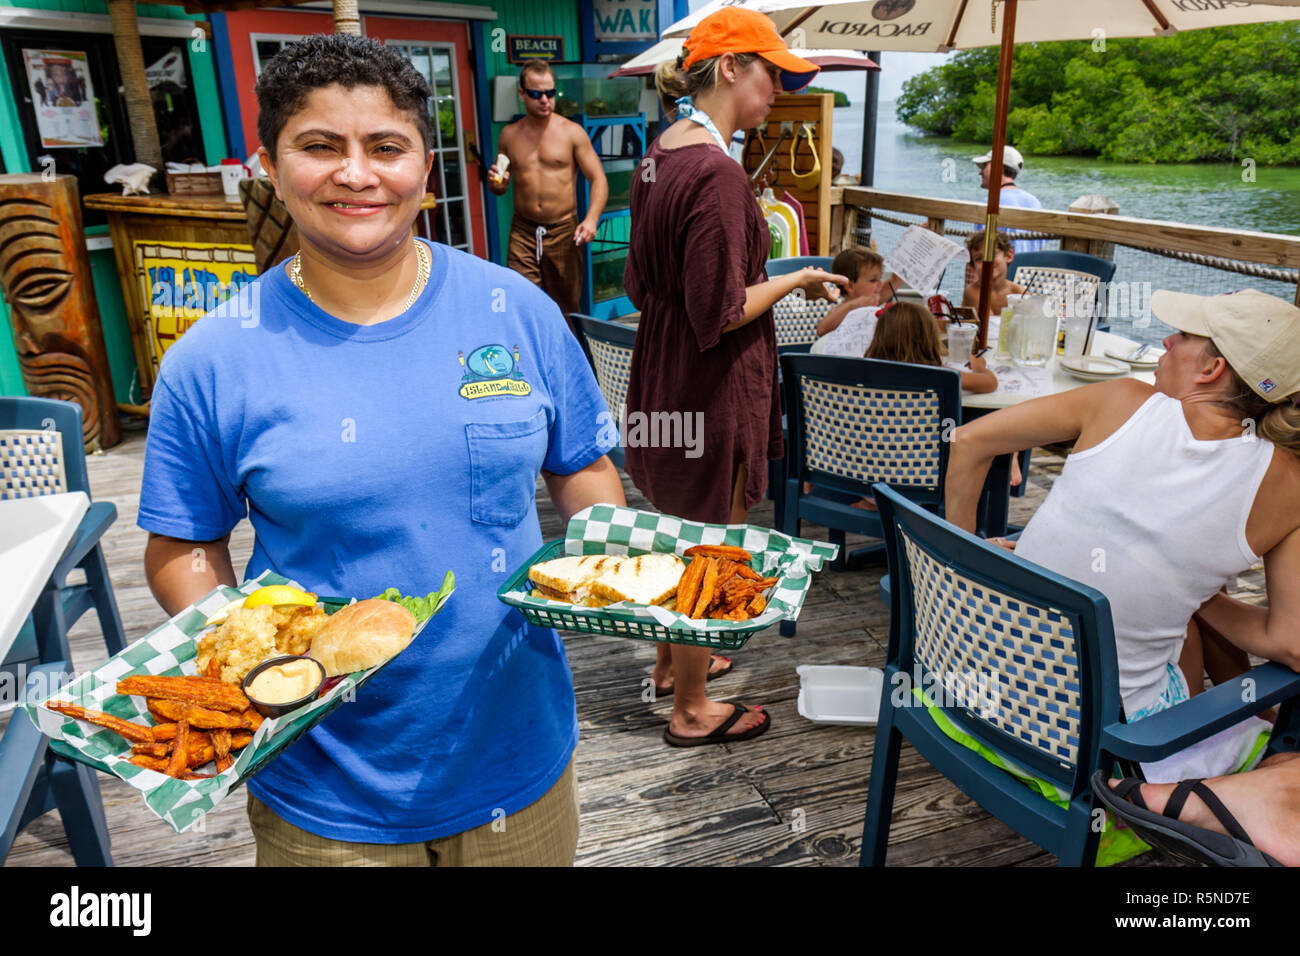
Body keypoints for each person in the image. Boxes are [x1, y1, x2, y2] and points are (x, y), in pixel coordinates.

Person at [138, 34, 624, 866]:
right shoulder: (214, 357)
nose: (356, 174)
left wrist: (615, 571)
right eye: (319, 147)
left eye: (386, 148)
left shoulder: (520, 311)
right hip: (323, 792)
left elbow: (580, 465)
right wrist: (241, 653)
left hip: (519, 759)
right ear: (271, 163)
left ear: (426, 169)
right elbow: (183, 544)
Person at [945, 289, 1300, 798]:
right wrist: (1193, 591)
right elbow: (1291, 643)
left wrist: (967, 561)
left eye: (1184, 337)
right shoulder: (1288, 482)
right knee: (1182, 624)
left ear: (1212, 369)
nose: (1167, 340)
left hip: (973, 691)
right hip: (1088, 746)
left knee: (1177, 618)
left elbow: (967, 440)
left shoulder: (1118, 400)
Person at [623, 7, 844, 746]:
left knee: (673, 535)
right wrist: (798, 277)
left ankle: (667, 667)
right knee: (712, 549)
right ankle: (691, 710)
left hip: (659, 381)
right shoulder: (716, 173)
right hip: (707, 392)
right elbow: (718, 313)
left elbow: (635, 285)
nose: (781, 86)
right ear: (729, 68)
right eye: (772, 71)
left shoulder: (660, 154)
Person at [488, 61, 608, 334]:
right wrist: (497, 182)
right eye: (536, 94)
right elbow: (499, 184)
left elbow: (598, 179)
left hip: (563, 231)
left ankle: (570, 369)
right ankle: (530, 363)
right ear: (522, 94)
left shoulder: (571, 132)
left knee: (566, 307)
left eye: (550, 93)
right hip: (523, 231)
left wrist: (591, 221)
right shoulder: (509, 135)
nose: (545, 100)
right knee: (520, 299)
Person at [815, 247, 902, 339]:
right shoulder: (841, 311)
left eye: (880, 278)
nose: (880, 283)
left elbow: (893, 283)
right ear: (850, 286)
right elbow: (821, 330)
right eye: (873, 280)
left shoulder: (871, 300)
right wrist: (853, 305)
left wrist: (900, 268)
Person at [972, 145, 1043, 254]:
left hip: (1002, 270)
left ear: (999, 168)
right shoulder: (1034, 202)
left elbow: (980, 251)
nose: (980, 172)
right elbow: (1039, 248)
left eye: (984, 166)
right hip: (1028, 269)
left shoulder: (989, 203)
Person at [961, 230, 1025, 317]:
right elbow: (988, 323)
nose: (987, 262)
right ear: (973, 267)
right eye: (979, 259)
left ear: (1009, 256)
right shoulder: (971, 292)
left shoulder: (1018, 292)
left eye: (992, 254)